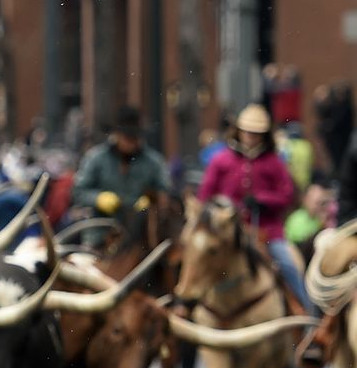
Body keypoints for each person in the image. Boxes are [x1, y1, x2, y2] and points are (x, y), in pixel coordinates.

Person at [197, 104, 310, 312]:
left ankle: (309, 320)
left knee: (288, 266)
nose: (251, 137)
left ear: (264, 135)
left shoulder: (274, 162)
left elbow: (287, 195)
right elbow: (205, 196)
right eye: (248, 132)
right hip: (226, 233)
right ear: (239, 131)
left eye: (256, 134)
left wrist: (262, 199)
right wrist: (224, 207)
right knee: (198, 261)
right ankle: (187, 309)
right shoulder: (221, 160)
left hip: (266, 233)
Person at [72, 106, 172, 219]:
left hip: (141, 226)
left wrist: (152, 199)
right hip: (102, 225)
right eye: (128, 138)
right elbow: (78, 192)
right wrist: (98, 198)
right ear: (117, 135)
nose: (132, 143)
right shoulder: (96, 158)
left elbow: (165, 191)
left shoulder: (154, 162)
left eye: (135, 137)